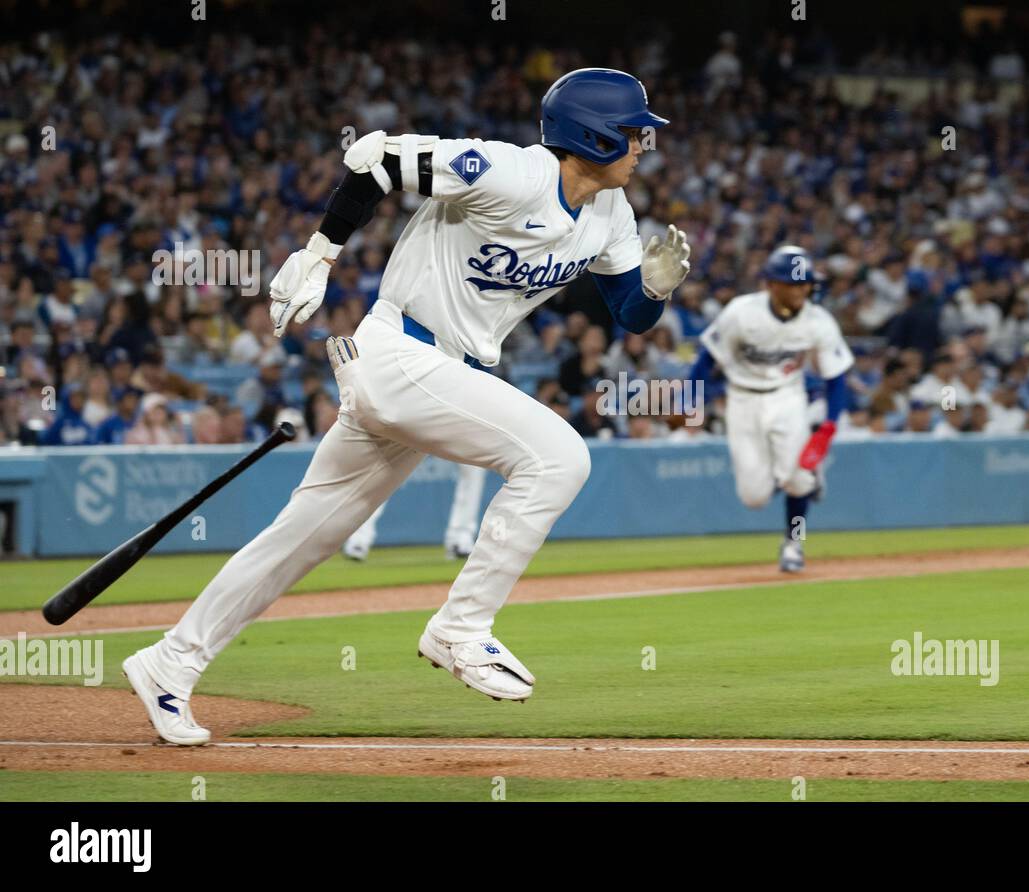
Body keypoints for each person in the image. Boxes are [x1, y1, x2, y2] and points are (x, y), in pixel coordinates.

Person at [122, 68, 690, 744]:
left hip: (429, 377)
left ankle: (169, 663)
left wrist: (655, 291)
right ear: (593, 136)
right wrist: (319, 253)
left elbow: (628, 314)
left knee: (303, 539)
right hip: (402, 354)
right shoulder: (513, 173)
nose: (642, 146)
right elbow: (377, 159)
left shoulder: (611, 214)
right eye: (632, 133)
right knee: (559, 456)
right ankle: (461, 628)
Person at [689, 246, 851, 572]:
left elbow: (837, 378)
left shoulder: (818, 321)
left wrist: (829, 426)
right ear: (771, 285)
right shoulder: (741, 312)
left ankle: (794, 543)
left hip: (787, 396)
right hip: (742, 400)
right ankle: (794, 474)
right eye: (794, 283)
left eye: (806, 283)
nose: (803, 289)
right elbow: (707, 359)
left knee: (799, 480)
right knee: (754, 497)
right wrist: (689, 399)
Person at [342, 463, 488, 561]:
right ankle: (358, 538)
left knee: (475, 464)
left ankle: (460, 538)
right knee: (390, 464)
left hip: (456, 420)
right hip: (419, 419)